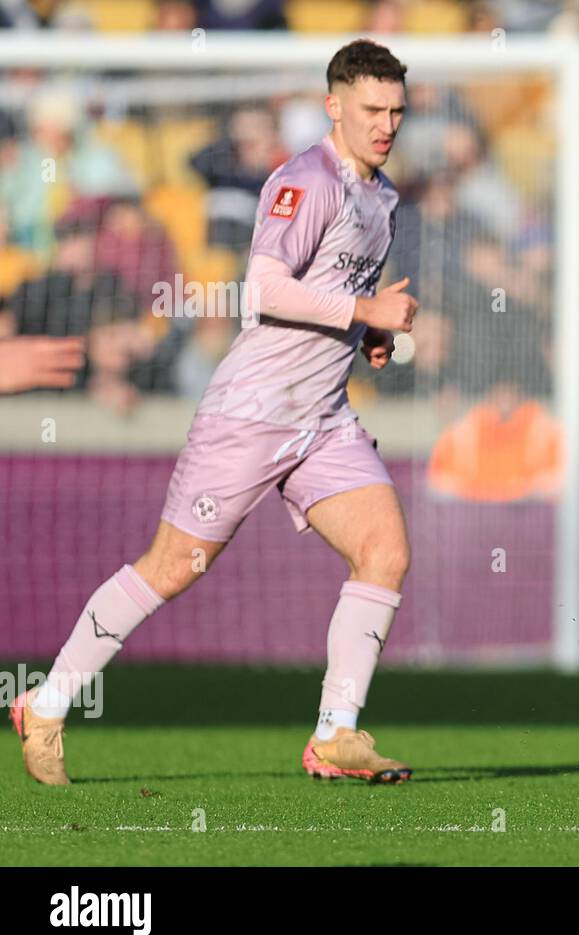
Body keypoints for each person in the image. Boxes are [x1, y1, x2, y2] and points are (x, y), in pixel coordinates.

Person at [12, 40, 418, 786]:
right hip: (252, 413)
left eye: (396, 110)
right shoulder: (304, 181)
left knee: (385, 551)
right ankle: (47, 702)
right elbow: (262, 288)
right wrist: (364, 306)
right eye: (371, 110)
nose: (386, 124)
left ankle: (336, 735)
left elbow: (326, 295)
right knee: (172, 569)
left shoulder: (382, 194)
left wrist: (370, 336)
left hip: (322, 417)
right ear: (334, 106)